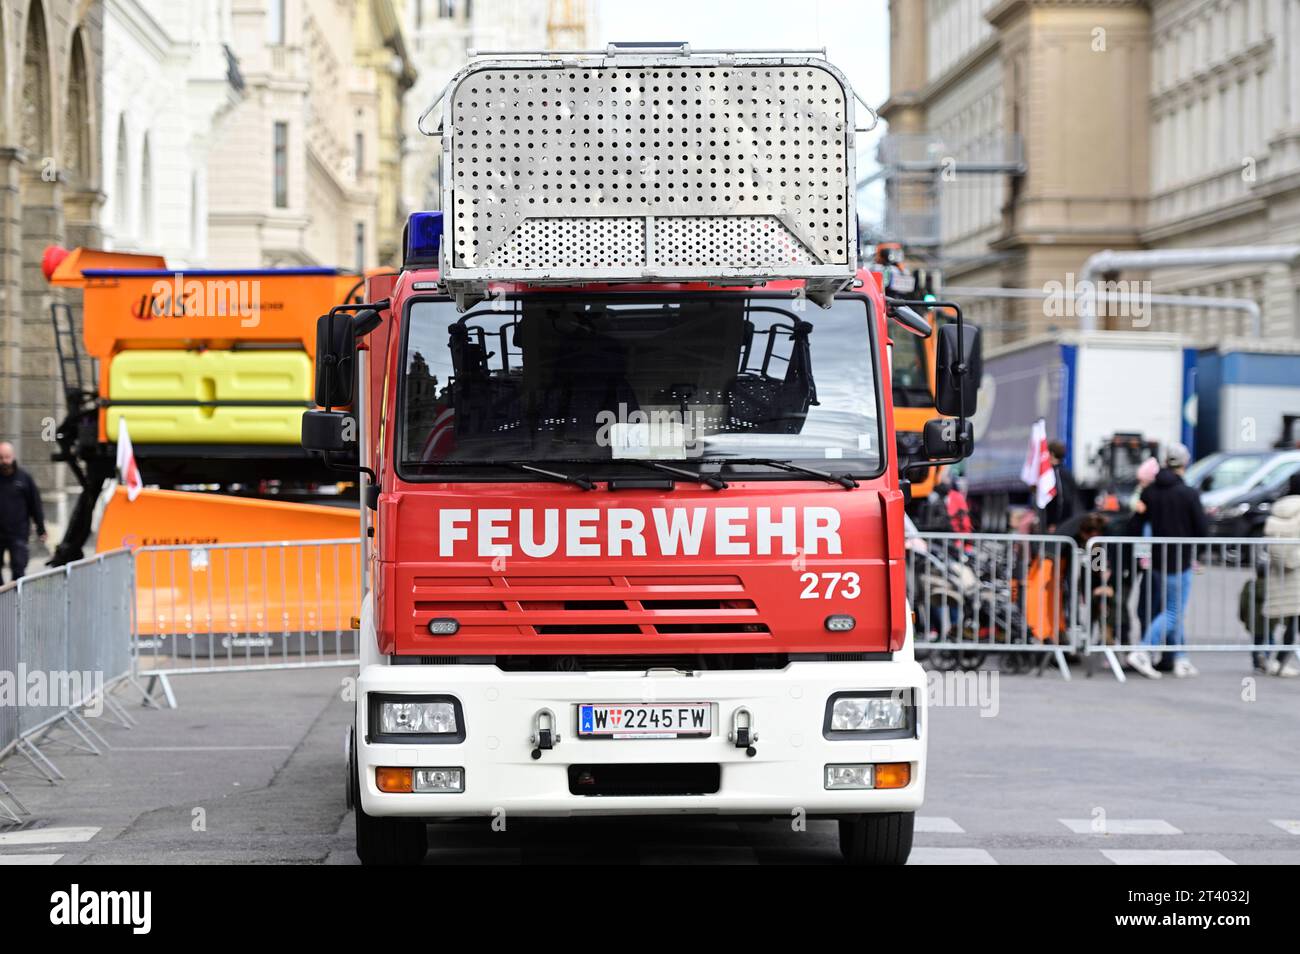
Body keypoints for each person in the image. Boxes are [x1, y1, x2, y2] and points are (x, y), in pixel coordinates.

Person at [1128, 442, 1208, 679]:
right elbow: (1202, 529)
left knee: (1173, 610)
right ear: (1185, 463)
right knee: (1174, 611)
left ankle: (1180, 658)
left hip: (1157, 559)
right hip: (1179, 560)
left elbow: (1137, 523)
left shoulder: (1150, 492)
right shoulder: (1189, 494)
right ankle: (1143, 650)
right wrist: (1200, 554)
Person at [1261, 471, 1300, 678]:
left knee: (1276, 619)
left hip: (1278, 573)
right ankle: (1279, 662)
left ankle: (1266, 658)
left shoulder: (1279, 509)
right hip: (1296, 573)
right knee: (1294, 622)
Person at [0, 441, 46, 583]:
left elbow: (35, 504)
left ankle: (15, 602)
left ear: (13, 457)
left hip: (18, 532)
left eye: (7, 457)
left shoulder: (24, 478)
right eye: (1, 458)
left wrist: (41, 528)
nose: (4, 461)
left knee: (19, 568)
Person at [1042, 440, 1080, 532]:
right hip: (1067, 521)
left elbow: (1060, 499)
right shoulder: (1066, 472)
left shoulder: (1055, 474)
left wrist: (1053, 522)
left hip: (1059, 524)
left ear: (1051, 454)